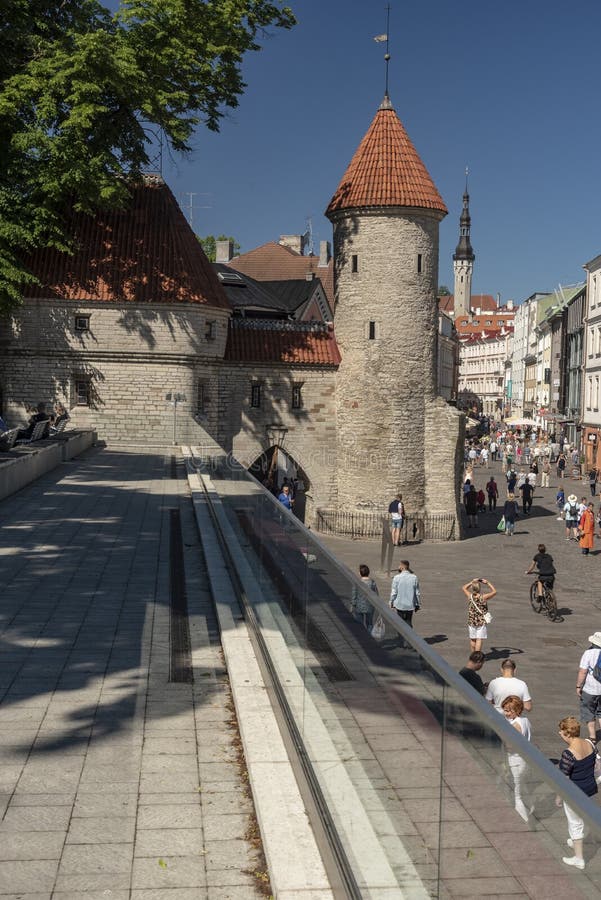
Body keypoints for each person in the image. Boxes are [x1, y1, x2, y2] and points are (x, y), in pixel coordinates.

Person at [556, 715, 597, 870]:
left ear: (567, 733)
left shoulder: (568, 753)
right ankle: (575, 841)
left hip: (574, 792)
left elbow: (564, 779)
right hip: (589, 788)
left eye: (560, 731)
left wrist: (559, 797)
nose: (559, 734)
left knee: (575, 823)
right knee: (579, 818)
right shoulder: (588, 743)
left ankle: (579, 858)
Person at [501, 695, 532, 822]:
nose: (506, 713)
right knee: (521, 785)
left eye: (509, 711)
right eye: (505, 710)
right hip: (525, 760)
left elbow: (510, 745)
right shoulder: (525, 720)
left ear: (517, 710)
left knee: (517, 793)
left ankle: (524, 820)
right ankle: (531, 806)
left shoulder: (515, 726)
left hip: (516, 760)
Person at [575, 632, 601, 741]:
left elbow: (583, 672)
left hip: (589, 689)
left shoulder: (588, 653)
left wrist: (578, 686)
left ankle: (592, 737)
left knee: (588, 711)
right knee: (600, 712)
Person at [462, 577, 496, 653]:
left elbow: (464, 587)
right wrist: (487, 583)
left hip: (471, 620)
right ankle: (477, 655)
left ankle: (473, 654)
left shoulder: (470, 596)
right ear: (479, 589)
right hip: (480, 621)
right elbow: (494, 591)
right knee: (479, 639)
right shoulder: (483, 597)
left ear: (472, 588)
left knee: (472, 639)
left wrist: (472, 581)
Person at [389, 560, 421, 640]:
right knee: (409, 621)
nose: (398, 567)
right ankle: (410, 639)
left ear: (402, 567)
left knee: (400, 622)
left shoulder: (396, 577)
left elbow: (394, 592)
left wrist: (391, 601)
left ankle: (401, 639)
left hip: (399, 604)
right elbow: (417, 592)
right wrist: (418, 603)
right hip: (410, 604)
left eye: (399, 565)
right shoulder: (414, 577)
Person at [350, 564, 378, 631]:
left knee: (360, 624)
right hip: (370, 606)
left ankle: (362, 636)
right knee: (370, 624)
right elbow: (376, 594)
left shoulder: (357, 582)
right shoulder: (372, 582)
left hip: (359, 606)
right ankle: (369, 637)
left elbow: (354, 595)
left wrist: (352, 605)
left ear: (360, 573)